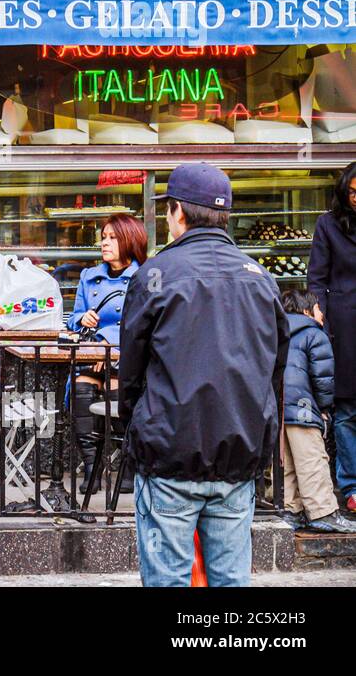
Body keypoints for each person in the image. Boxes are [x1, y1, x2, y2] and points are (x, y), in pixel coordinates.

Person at [119, 163, 289, 587]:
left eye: (167, 211)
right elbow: (275, 371)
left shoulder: (155, 276)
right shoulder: (260, 279)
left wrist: (136, 429)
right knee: (232, 579)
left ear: (177, 212)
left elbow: (132, 373)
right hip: (239, 450)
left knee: (167, 580)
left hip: (170, 451)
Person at [64, 212, 148, 491]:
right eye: (103, 238)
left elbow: (143, 322)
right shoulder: (89, 277)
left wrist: (108, 349)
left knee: (119, 390)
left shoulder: (143, 277)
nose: (105, 243)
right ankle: (92, 466)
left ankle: (126, 466)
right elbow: (73, 319)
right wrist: (83, 319)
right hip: (92, 353)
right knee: (81, 389)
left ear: (129, 240)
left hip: (124, 354)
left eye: (112, 237)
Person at [278, 289, 356, 533]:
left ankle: (292, 511)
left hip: (280, 409)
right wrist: (323, 408)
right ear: (306, 310)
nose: (322, 313)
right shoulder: (313, 333)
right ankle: (324, 512)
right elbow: (322, 377)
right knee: (313, 459)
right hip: (303, 407)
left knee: (288, 462)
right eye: (319, 308)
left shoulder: (276, 333)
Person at [309, 161, 356, 511]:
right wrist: (320, 316)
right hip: (343, 326)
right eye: (353, 192)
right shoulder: (328, 225)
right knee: (347, 410)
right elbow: (317, 279)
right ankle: (352, 488)